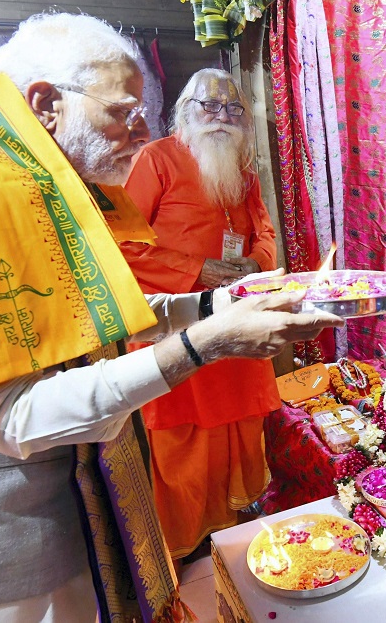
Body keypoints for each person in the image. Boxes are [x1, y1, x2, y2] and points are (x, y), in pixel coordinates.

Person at [0, 13, 341, 623]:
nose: (142, 133)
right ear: (46, 104)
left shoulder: (33, 176)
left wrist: (216, 305)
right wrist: (202, 343)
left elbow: (95, 309)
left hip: (41, 510)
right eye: (122, 112)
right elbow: (11, 416)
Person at [119, 68, 282, 562]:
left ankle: (234, 525)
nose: (222, 117)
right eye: (209, 106)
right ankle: (183, 546)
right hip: (178, 327)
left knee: (239, 432)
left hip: (236, 321)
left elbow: (265, 234)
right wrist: (195, 269)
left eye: (233, 108)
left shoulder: (242, 167)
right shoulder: (156, 159)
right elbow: (120, 245)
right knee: (185, 442)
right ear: (185, 111)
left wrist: (257, 263)